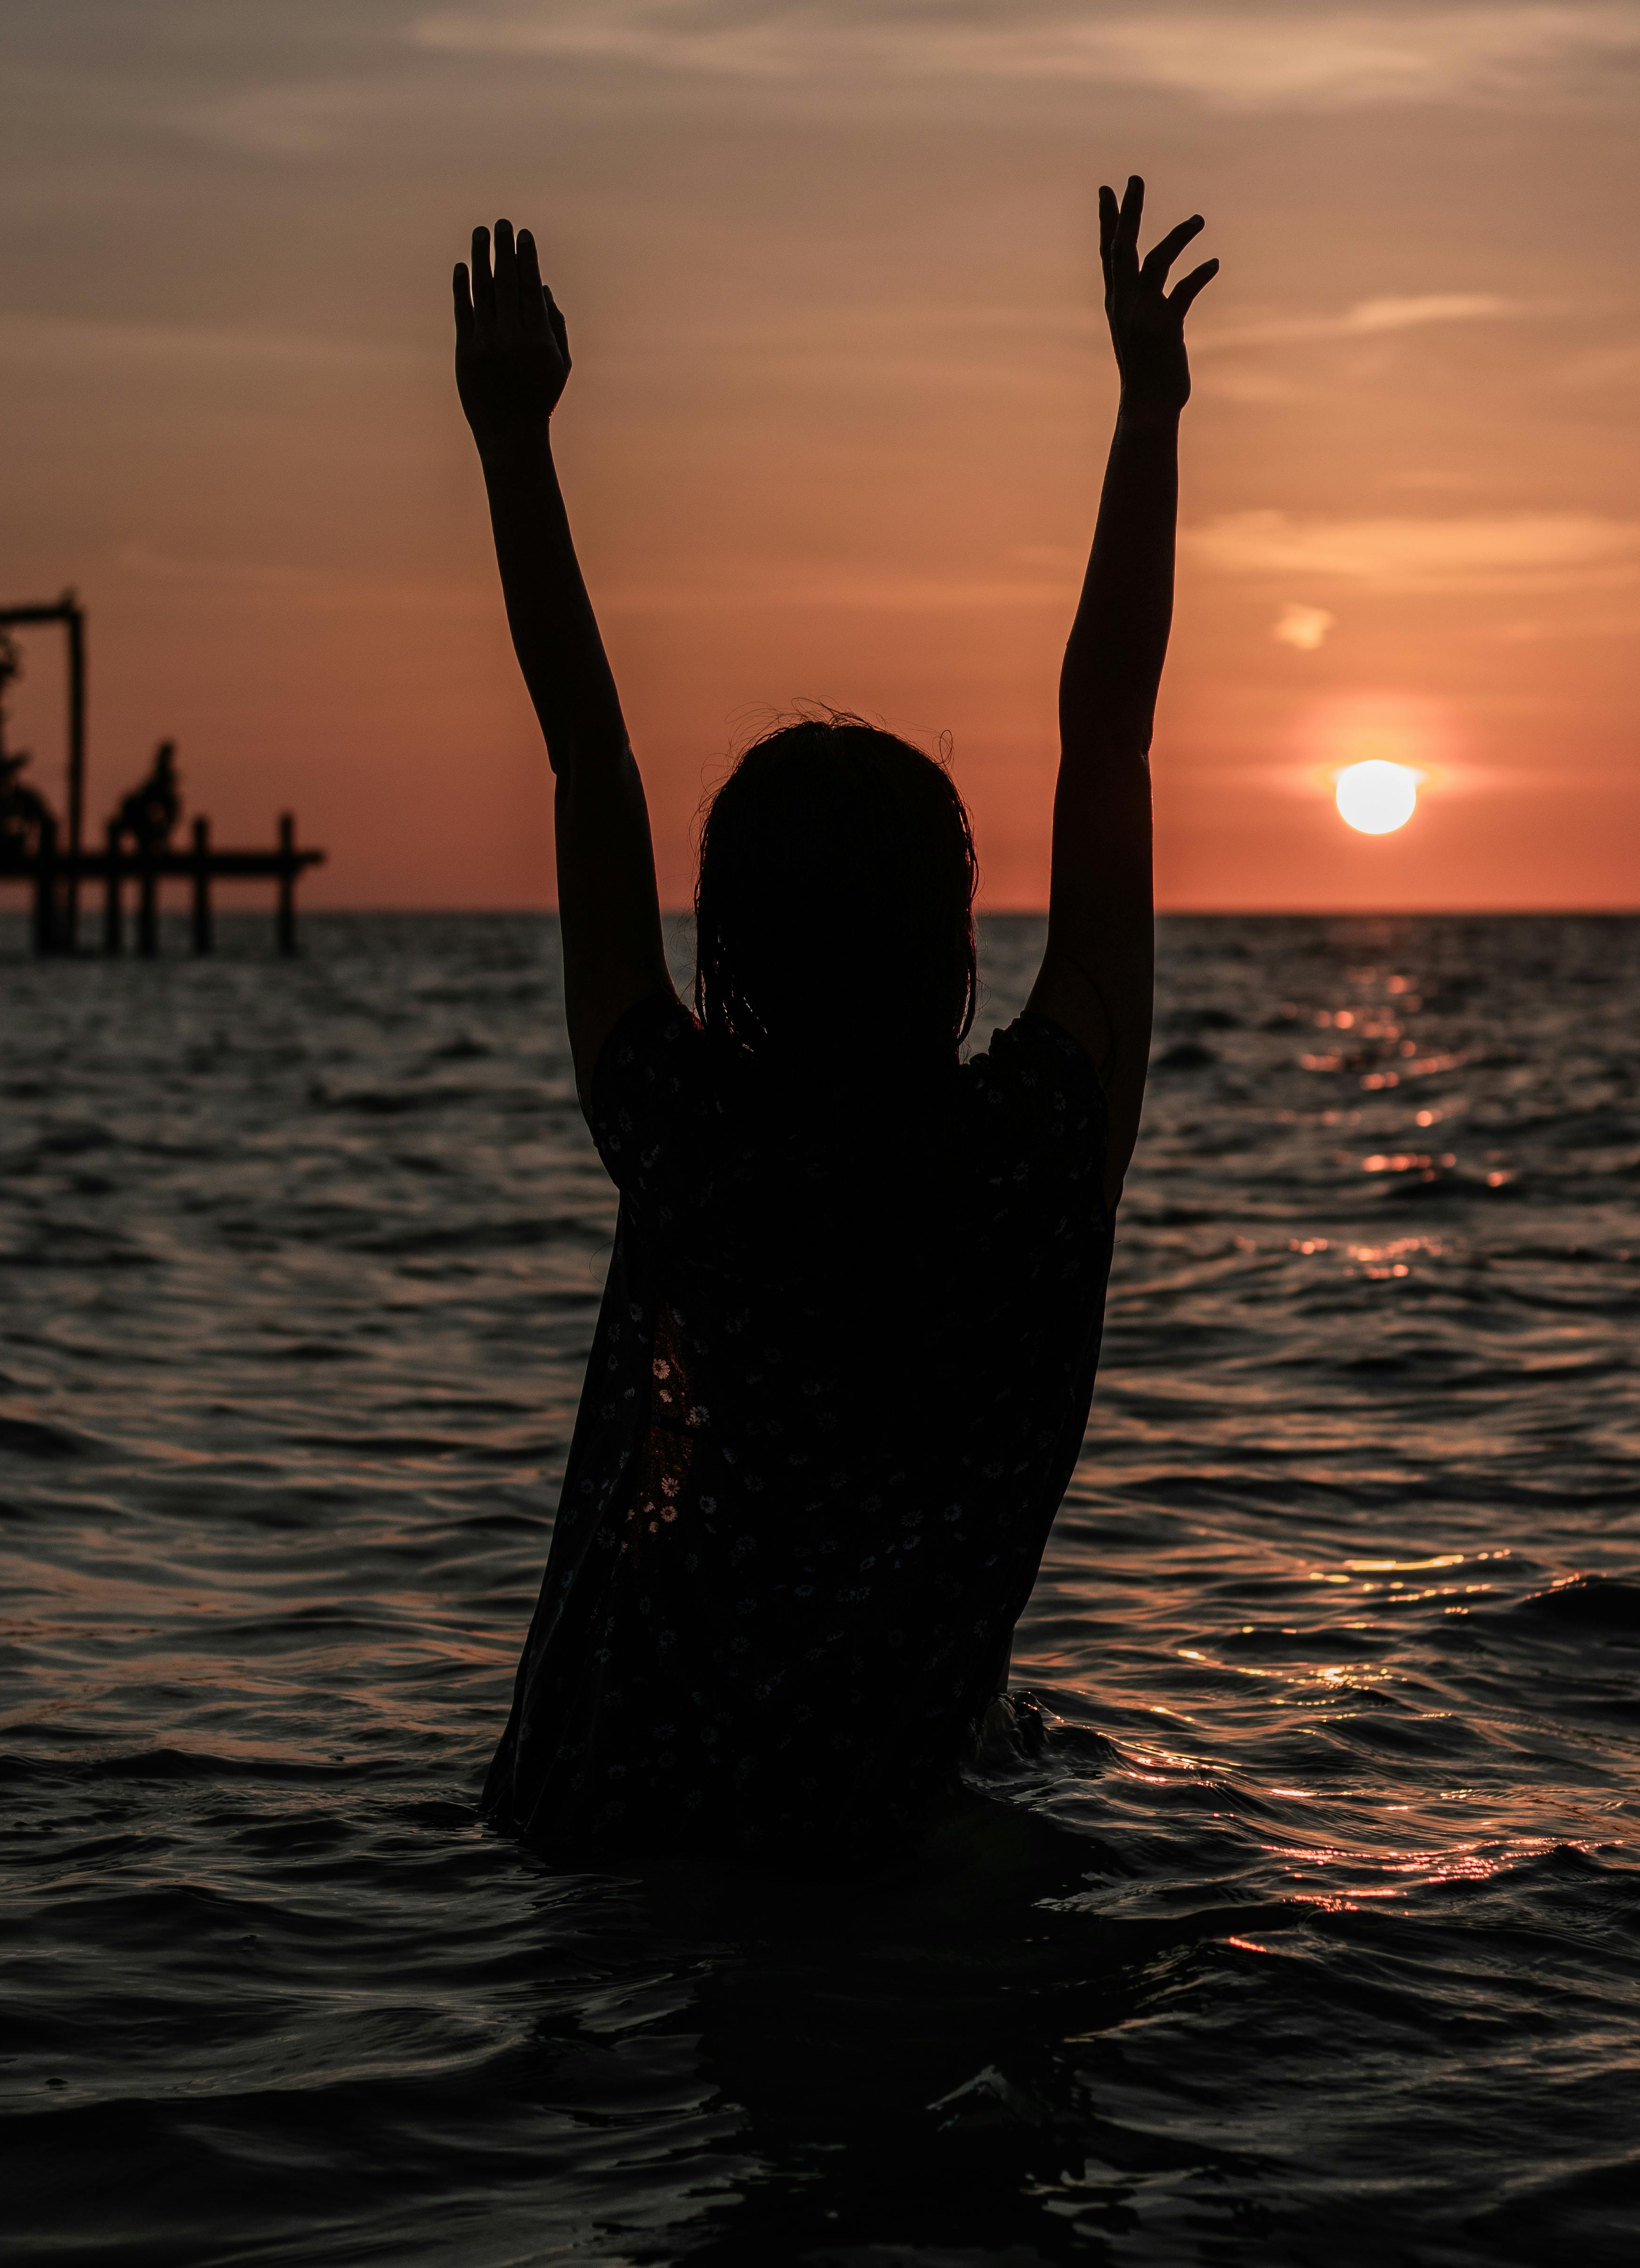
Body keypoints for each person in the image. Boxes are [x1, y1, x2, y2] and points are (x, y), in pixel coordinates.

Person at [455, 178, 1217, 1865]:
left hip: (606, 1824)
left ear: (725, 958)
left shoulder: (688, 1141)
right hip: (876, 1828)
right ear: (953, 949)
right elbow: (1110, 742)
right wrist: (1147, 414)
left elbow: (587, 757)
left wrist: (516, 441)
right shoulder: (1038, 1151)